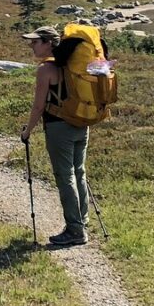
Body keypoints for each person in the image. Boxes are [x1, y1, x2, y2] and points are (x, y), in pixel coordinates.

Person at [19, 25, 90, 247]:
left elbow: (39, 106)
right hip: (81, 124)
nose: (31, 46)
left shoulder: (45, 70)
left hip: (59, 128)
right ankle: (82, 220)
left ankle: (75, 230)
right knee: (79, 172)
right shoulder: (73, 64)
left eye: (35, 42)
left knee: (65, 176)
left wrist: (27, 131)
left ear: (49, 43)